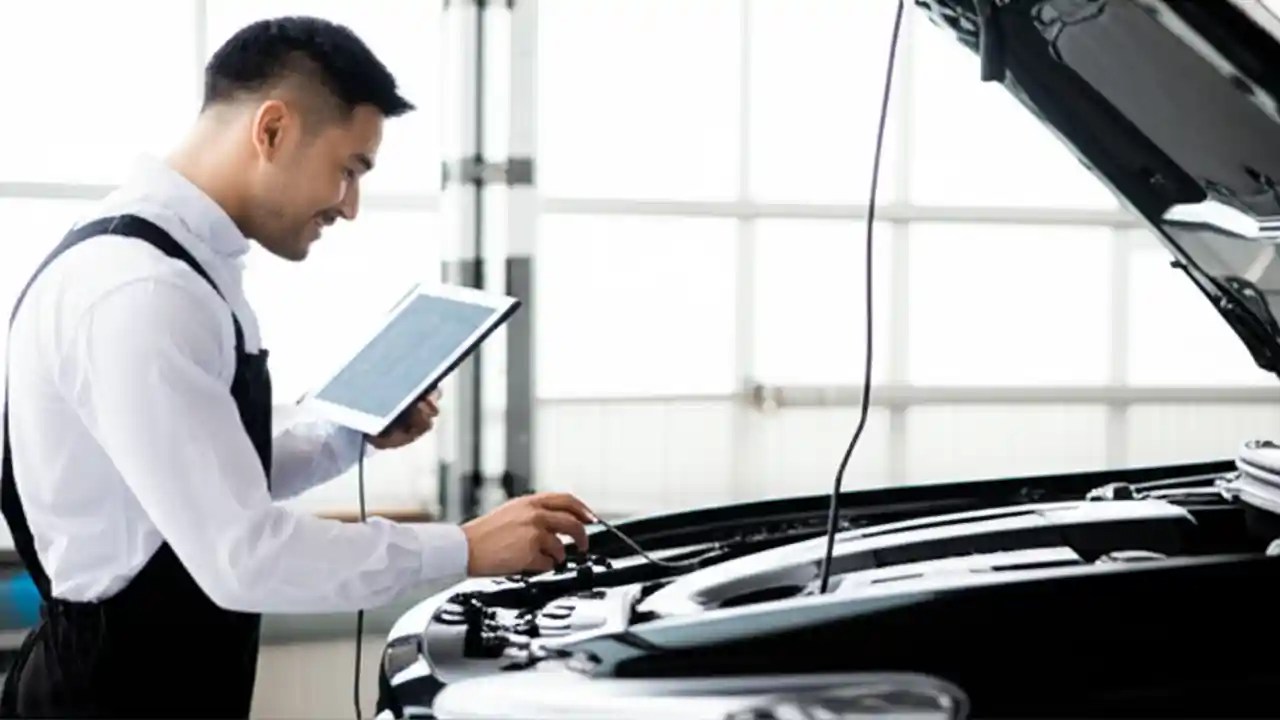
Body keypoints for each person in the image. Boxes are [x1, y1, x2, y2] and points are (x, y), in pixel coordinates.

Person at [0, 15, 593, 719]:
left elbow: (200, 474)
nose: (349, 207)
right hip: (114, 695)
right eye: (349, 170)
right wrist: (462, 548)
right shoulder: (144, 291)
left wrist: (349, 433)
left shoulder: (177, 266)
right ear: (272, 129)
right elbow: (243, 555)